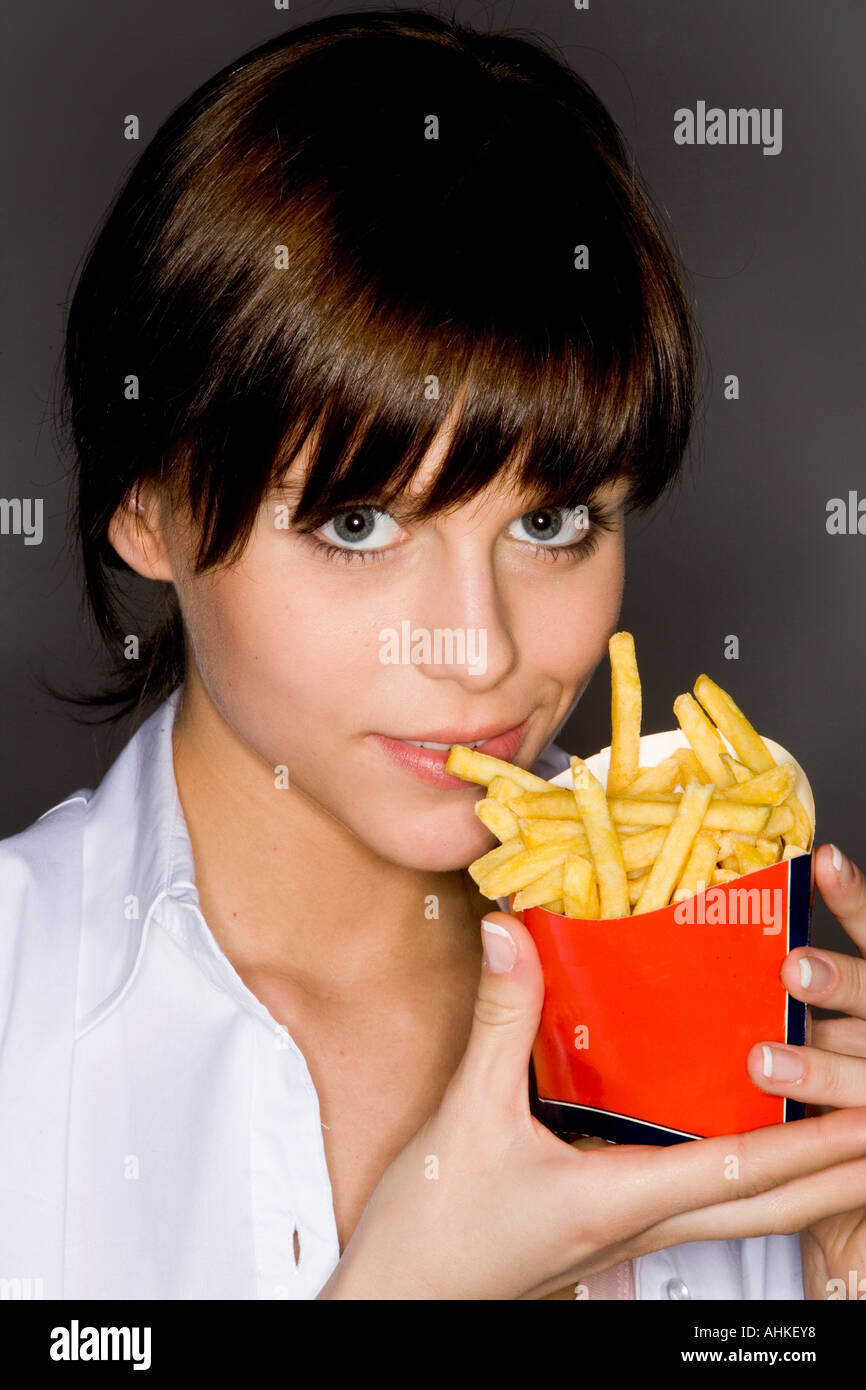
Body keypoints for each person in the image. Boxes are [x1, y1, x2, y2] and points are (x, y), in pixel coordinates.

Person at [2, 8, 865, 1302]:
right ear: (149, 509)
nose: (478, 650)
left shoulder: (754, 988)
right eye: (358, 523)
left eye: (549, 519)